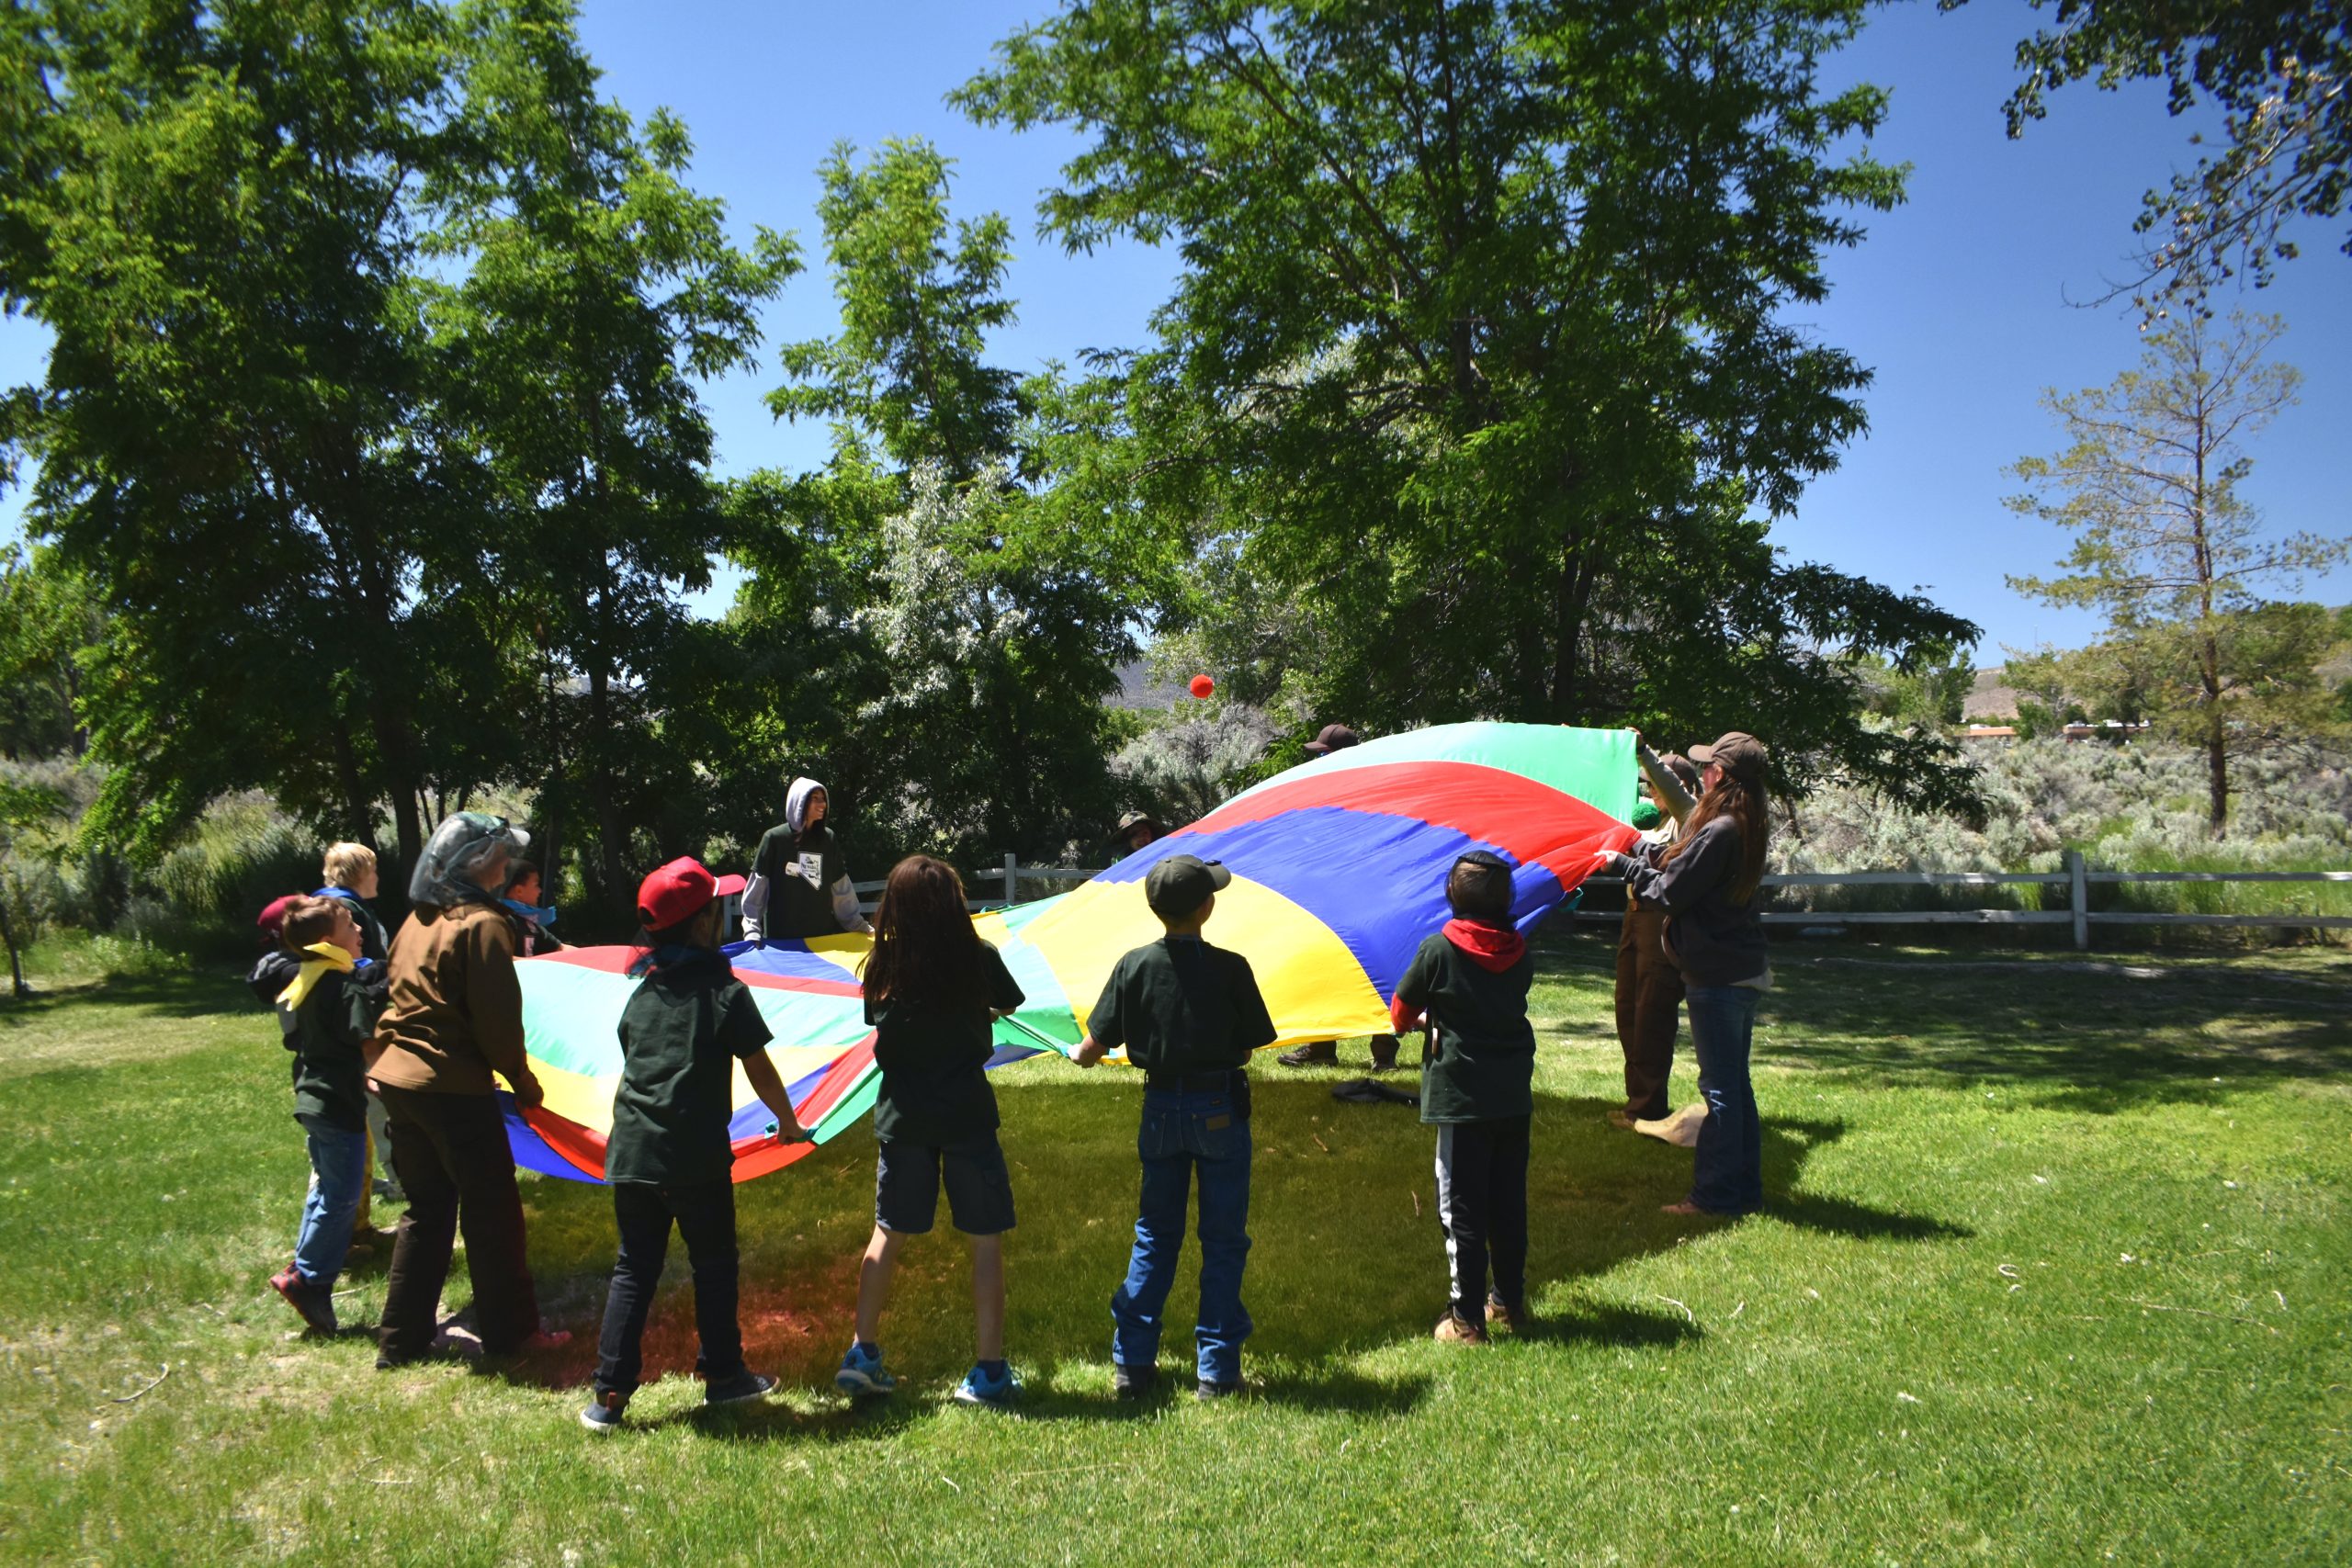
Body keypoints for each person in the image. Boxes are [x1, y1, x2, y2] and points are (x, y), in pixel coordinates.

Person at [582, 857, 813, 1432]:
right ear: (702, 924)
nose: (725, 914)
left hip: (632, 1155)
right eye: (718, 908)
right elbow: (759, 1068)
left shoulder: (641, 996)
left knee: (634, 1269)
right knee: (713, 1265)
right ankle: (725, 1377)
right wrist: (788, 1123)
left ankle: (607, 1398)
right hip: (693, 1159)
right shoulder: (724, 994)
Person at [370, 812, 570, 1367]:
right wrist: (525, 1084)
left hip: (400, 1083)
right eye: (501, 857)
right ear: (478, 864)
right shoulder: (482, 924)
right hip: (450, 1088)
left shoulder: (418, 920)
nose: (507, 866)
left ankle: (401, 1340)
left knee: (426, 1209)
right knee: (493, 1214)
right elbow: (496, 1021)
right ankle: (514, 1336)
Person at [1073, 854, 1276, 1399]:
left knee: (1154, 1235)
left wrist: (1078, 1053)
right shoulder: (1232, 967)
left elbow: (1093, 1049)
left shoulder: (1133, 964)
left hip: (1160, 1111)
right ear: (1206, 907)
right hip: (1220, 1110)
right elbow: (1253, 1045)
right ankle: (1216, 1368)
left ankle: (1133, 1363)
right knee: (1224, 1239)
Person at [834, 856, 1028, 1410]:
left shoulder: (883, 964)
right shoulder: (978, 958)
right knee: (984, 1240)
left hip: (903, 1117)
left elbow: (880, 1022)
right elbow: (1008, 1002)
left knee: (888, 1232)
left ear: (894, 905)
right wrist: (978, 1013)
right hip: (967, 1114)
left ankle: (861, 1354)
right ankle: (990, 1372)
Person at [1594, 732, 1772, 1216]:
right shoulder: (1746, 823)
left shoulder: (1721, 830)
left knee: (1720, 1090)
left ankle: (1713, 1197)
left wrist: (1623, 867)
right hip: (1740, 967)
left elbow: (1672, 891)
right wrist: (1639, 850)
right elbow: (1681, 862)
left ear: (1723, 776)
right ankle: (1746, 1192)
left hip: (1716, 973)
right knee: (1736, 1087)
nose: (1704, 774)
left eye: (1709, 768)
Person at [1389, 852, 1537, 1344]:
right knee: (1508, 1203)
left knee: (1462, 1210)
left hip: (1462, 1101)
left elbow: (1401, 1015)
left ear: (1452, 895)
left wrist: (1431, 1021)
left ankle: (1466, 1319)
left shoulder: (1437, 950)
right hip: (1513, 1096)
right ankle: (1508, 1303)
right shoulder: (1521, 948)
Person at [266, 896, 391, 1335]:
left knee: (325, 1192)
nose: (359, 930)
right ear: (327, 941)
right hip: (336, 1106)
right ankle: (310, 1279)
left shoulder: (311, 978)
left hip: (312, 1099)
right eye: (349, 925)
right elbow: (370, 1051)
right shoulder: (344, 987)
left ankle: (300, 1267)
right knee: (340, 1196)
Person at [1611, 742, 1702, 1129]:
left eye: (1653, 786)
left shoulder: (1692, 819)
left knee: (1651, 1012)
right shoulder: (1647, 817)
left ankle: (1647, 1108)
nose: (1647, 793)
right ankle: (1638, 1102)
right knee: (1627, 1007)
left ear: (1676, 785)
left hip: (1660, 921)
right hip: (1633, 918)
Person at [315, 841, 400, 1213]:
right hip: (360, 1016)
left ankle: (377, 1176)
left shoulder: (344, 905)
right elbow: (358, 965)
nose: (378, 876)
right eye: (373, 869)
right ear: (359, 873)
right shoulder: (344, 908)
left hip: (361, 1012)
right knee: (377, 1095)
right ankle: (399, 1177)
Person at [741, 777, 873, 942]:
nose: (822, 804)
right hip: (782, 942)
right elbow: (757, 890)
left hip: (822, 943)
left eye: (823, 798)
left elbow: (841, 888)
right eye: (815, 799)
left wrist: (858, 924)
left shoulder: (828, 839)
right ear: (799, 802)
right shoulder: (774, 839)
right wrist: (752, 931)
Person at [502, 860, 565, 956]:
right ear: (519, 891)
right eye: (536, 885)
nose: (539, 891)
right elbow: (502, 959)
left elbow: (561, 949)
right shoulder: (502, 919)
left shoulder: (530, 923)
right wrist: (538, 965)